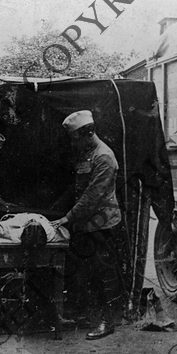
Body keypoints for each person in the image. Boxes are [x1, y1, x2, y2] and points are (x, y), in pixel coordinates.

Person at [50, 110, 123, 340]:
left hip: (102, 225)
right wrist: (57, 208)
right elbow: (77, 188)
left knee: (104, 274)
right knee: (86, 272)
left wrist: (66, 218)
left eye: (76, 139)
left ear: (89, 133)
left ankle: (107, 321)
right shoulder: (86, 154)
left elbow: (92, 197)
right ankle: (90, 315)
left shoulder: (104, 157)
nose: (74, 143)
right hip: (85, 225)